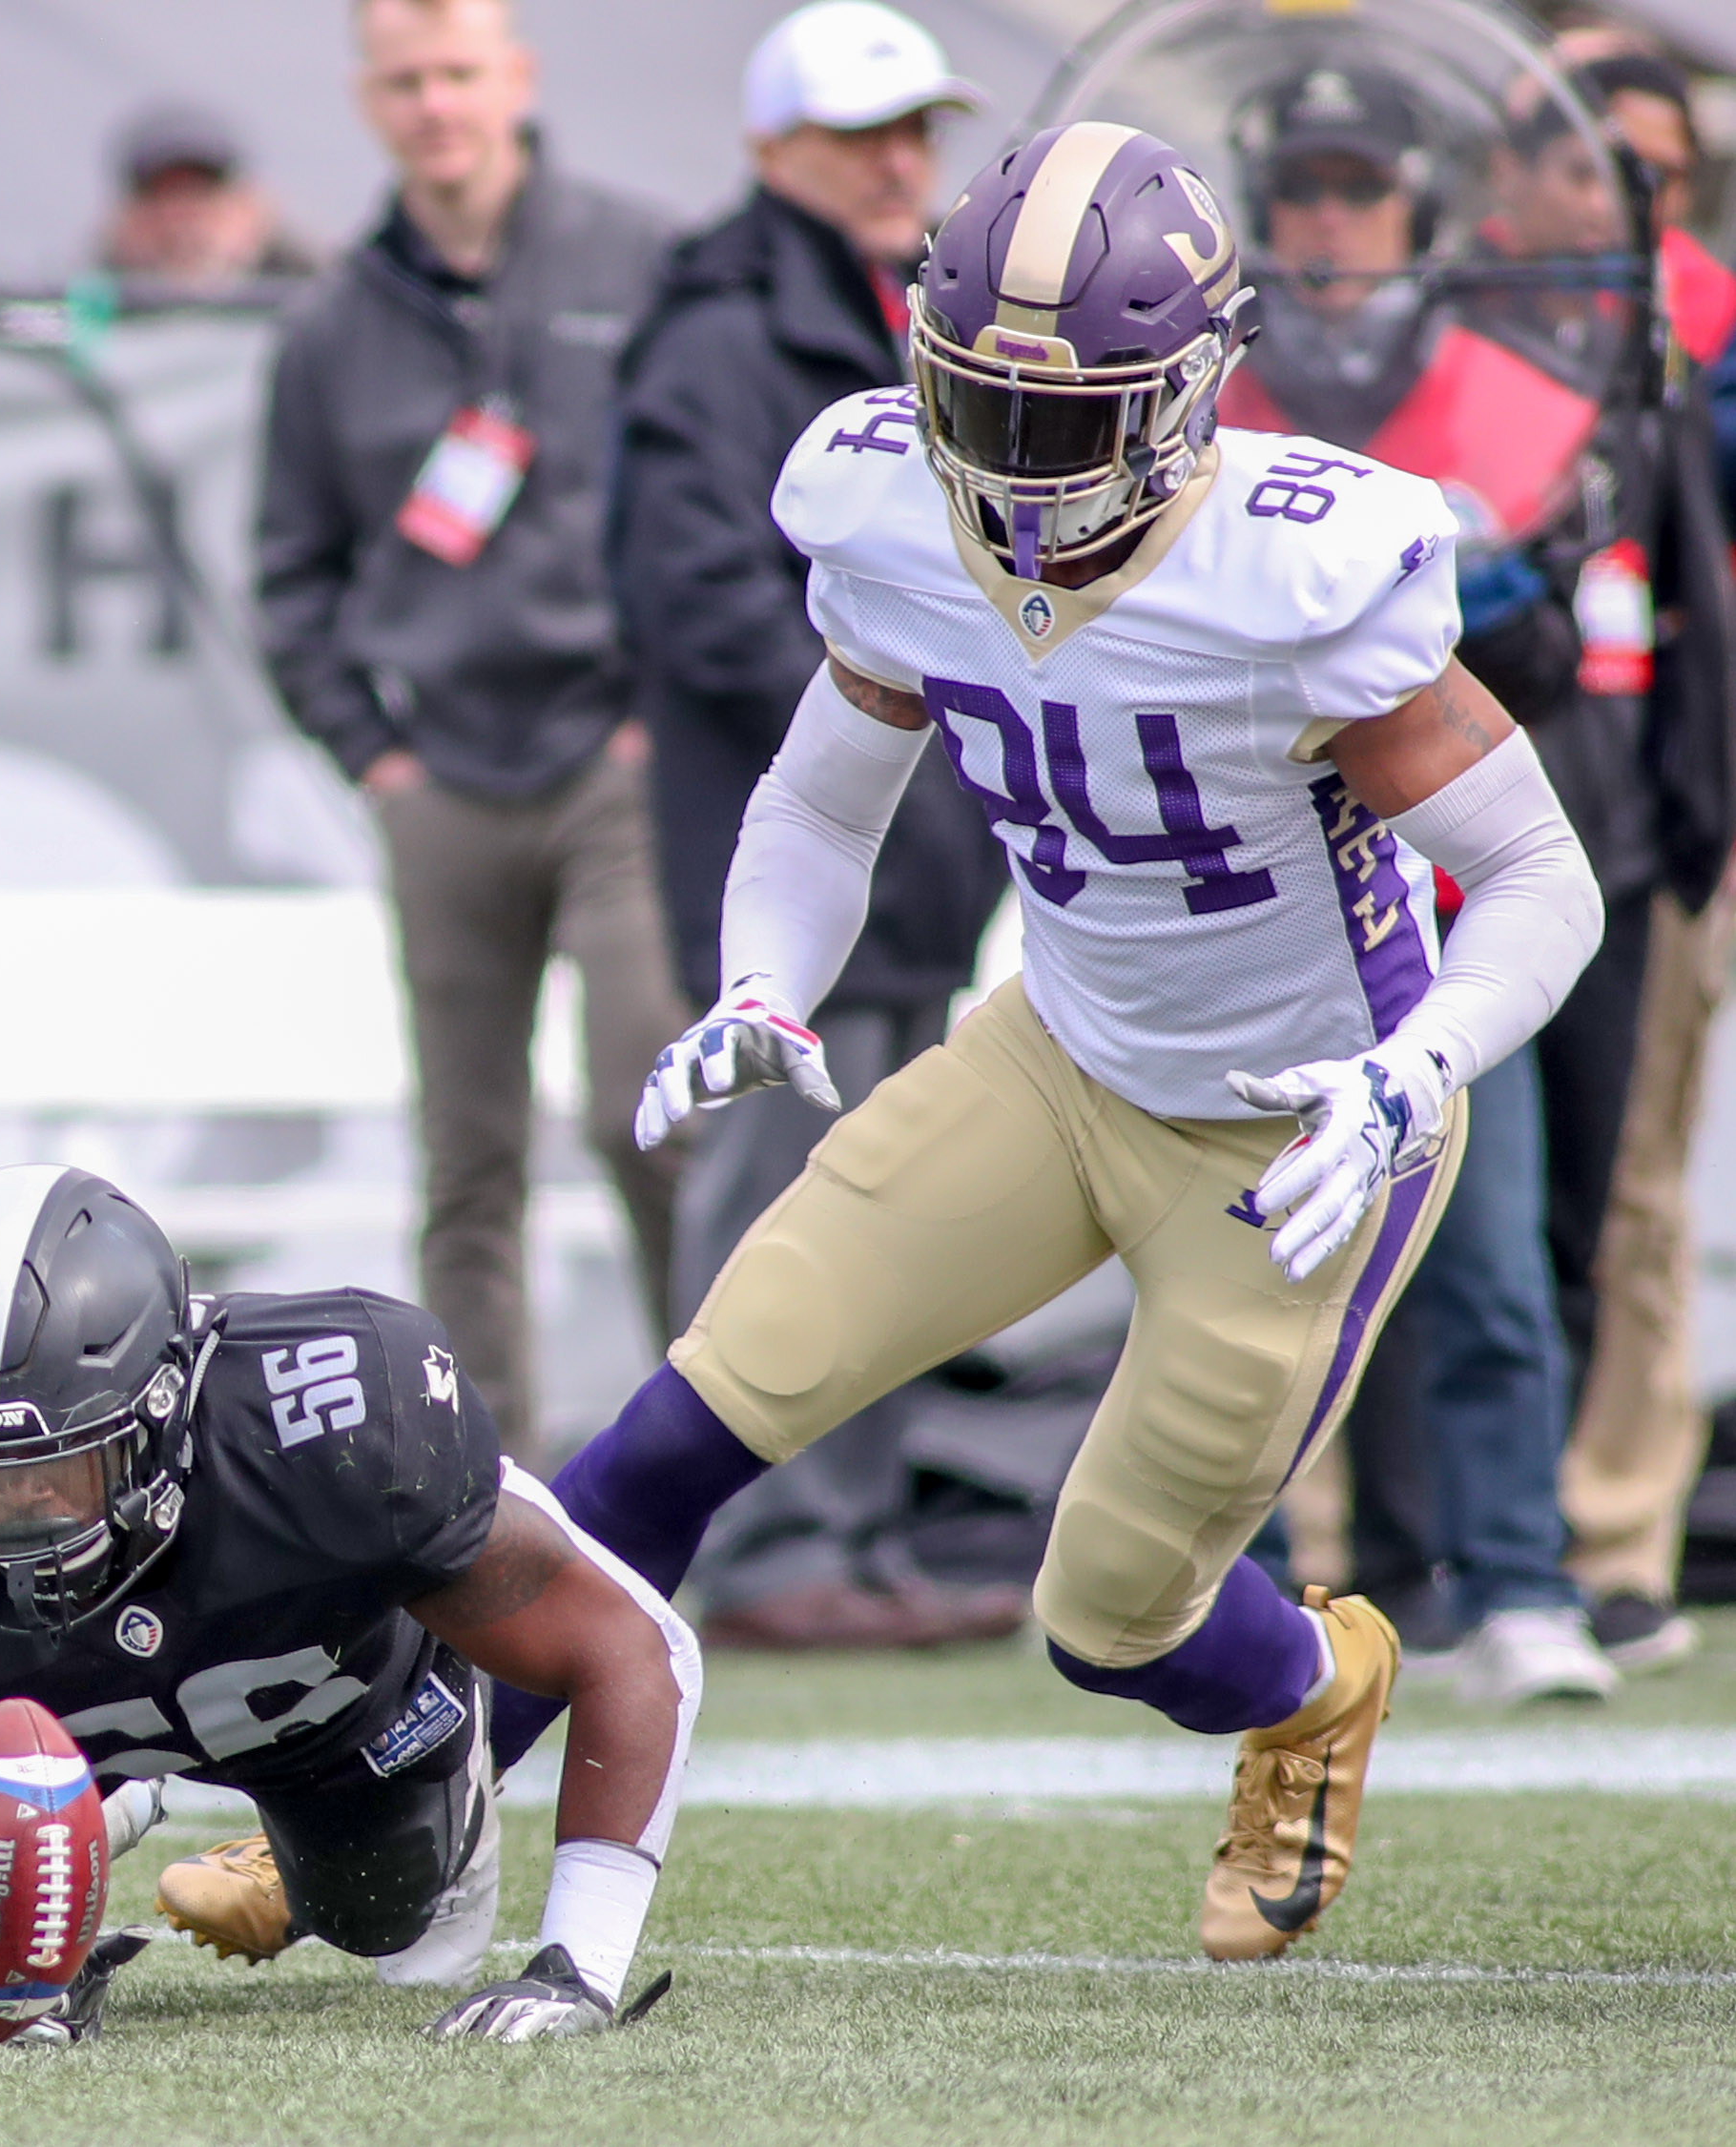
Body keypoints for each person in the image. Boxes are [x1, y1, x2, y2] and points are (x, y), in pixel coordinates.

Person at [491, 122, 1604, 1960]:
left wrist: (1415, 1070)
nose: (1008, 469)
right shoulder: (881, 508)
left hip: (1291, 1134)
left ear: (1185, 395)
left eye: (1066, 420)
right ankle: (370, 1828)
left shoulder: (1298, 565)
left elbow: (1534, 876)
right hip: (1054, 1055)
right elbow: (819, 804)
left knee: (1108, 1622)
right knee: (676, 1431)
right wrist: (763, 978)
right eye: (976, 407)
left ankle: (1312, 1680)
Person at [0, 1166, 698, 2043]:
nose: (15, 1519)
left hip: (324, 1717)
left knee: (381, 1910)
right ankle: (64, 1797)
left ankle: (423, 1751)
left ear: (165, 1404)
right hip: (6, 1720)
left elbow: (635, 1647)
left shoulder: (338, 1433)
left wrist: (580, 1964)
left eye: (59, 1469)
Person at [610, 0, 1017, 1648]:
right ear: (770, 152)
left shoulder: (901, 314)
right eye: (859, 138)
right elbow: (690, 593)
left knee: (875, 1200)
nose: (895, 165)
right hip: (792, 844)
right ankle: (774, 1546)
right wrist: (883, 703)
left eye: (912, 134)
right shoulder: (713, 333)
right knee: (783, 1196)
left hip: (906, 847)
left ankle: (842, 1533)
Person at [1222, 60, 1620, 1703]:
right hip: (1247, 897)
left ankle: (1514, 1571)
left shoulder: (1507, 387)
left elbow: (1543, 647)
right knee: (1232, 1258)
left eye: (1355, 191)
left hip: (1433, 902)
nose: (1328, 223)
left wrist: (1518, 580)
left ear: (1413, 210)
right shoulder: (1209, 391)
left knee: (1486, 1256)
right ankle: (1222, 1584)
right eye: (1303, 192)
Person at [257, 0, 685, 1467]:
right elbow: (289, 572)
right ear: (368, 103)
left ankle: (713, 1462)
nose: (435, 105)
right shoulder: (329, 322)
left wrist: (657, 714)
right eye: (405, 82)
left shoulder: (635, 263)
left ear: (515, 81)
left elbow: (713, 502)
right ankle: (482, 1502)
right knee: (468, 1161)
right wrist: (370, 754)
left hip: (613, 766)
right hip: (438, 778)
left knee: (655, 1101)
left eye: (457, 74)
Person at [1551, 47, 1736, 1669]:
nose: (1622, 191)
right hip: (1481, 803)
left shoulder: (1699, 319)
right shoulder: (1451, 312)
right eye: (1593, 156)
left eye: (1651, 168)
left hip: (1661, 796)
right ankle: (1363, 1538)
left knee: (1633, 1191)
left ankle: (1613, 1538)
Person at [99, 104, 317, 285]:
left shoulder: (330, 312)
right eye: (162, 199)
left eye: (201, 196)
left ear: (252, 209)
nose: (181, 221)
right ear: (126, 222)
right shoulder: (84, 322)